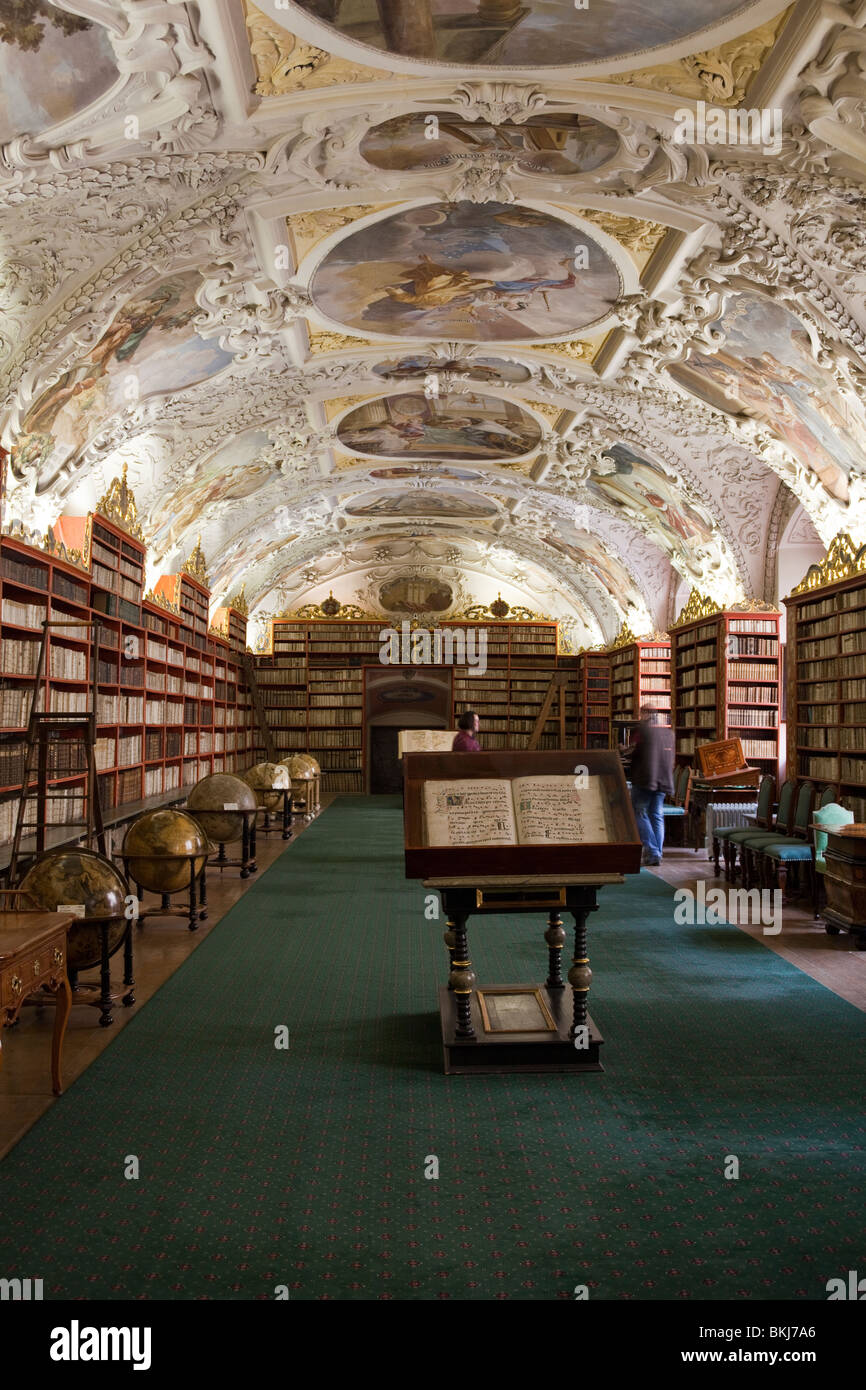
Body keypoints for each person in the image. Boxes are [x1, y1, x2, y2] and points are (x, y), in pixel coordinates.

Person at [627, 704, 674, 866]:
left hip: (645, 779)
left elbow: (634, 753)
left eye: (641, 712)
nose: (640, 715)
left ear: (645, 714)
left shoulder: (642, 731)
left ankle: (653, 851)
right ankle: (657, 853)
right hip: (664, 780)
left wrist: (624, 750)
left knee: (638, 813)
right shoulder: (668, 733)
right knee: (656, 815)